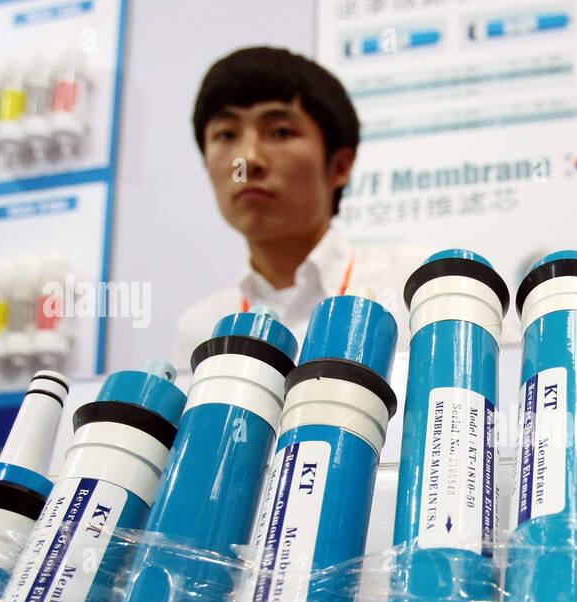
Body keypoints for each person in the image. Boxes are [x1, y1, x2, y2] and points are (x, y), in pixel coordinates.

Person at [172, 47, 426, 367]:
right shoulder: (201, 330)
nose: (248, 159)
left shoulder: (416, 288)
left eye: (280, 132)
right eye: (226, 134)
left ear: (340, 166)